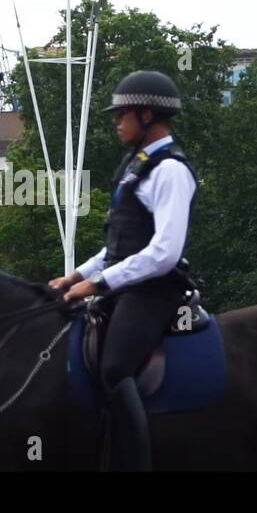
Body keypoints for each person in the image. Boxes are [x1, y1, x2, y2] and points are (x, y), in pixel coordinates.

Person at [49, 71, 198, 472]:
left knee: (115, 367)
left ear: (147, 115)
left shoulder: (170, 171)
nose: (116, 122)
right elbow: (119, 246)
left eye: (122, 114)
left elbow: (164, 252)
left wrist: (97, 284)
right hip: (126, 286)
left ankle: (135, 463)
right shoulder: (137, 166)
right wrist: (74, 277)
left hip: (154, 291)